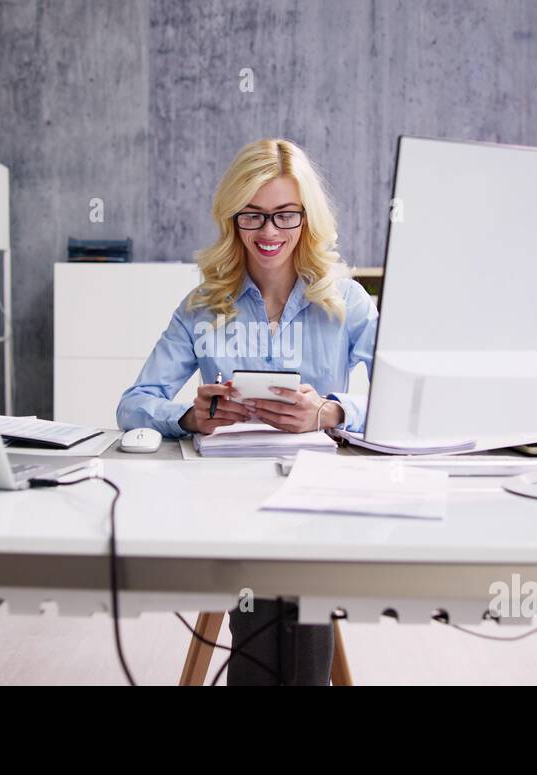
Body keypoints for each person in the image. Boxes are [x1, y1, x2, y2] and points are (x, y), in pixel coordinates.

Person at [116, 138, 378, 685]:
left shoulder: (347, 301)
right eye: (252, 215)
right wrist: (190, 416)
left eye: (285, 214)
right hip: (227, 497)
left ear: (307, 217)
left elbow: (398, 401)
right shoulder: (202, 305)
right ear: (231, 217)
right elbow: (135, 404)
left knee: (292, 579)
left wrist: (329, 411)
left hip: (314, 495)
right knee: (271, 581)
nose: (269, 232)